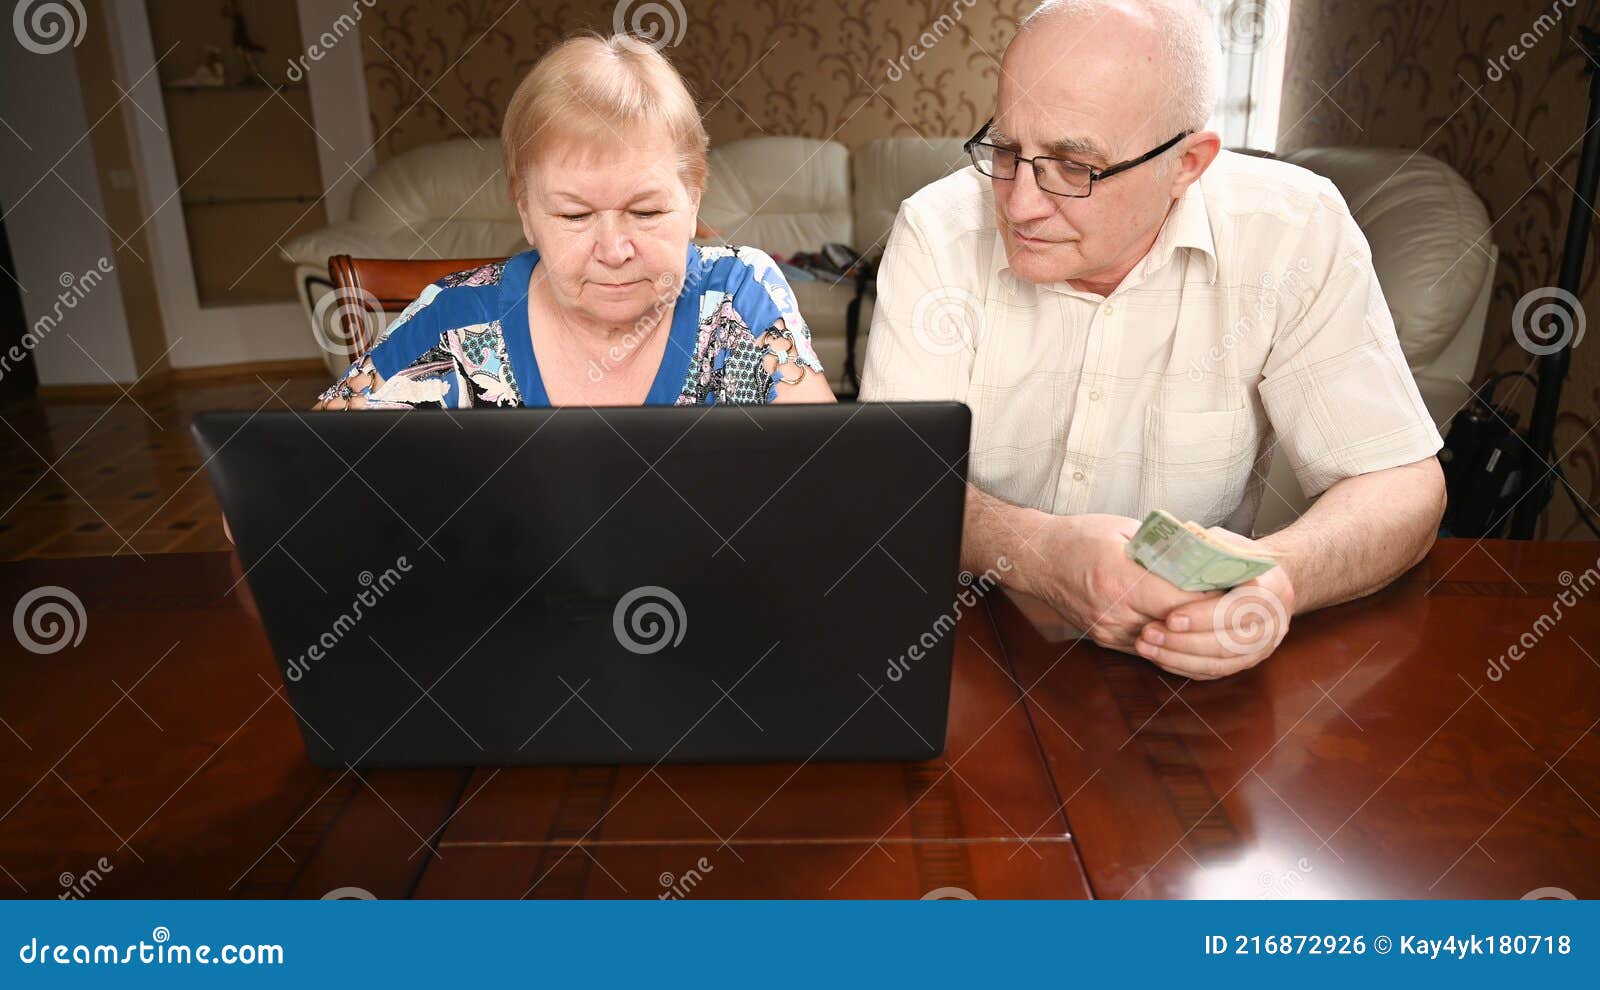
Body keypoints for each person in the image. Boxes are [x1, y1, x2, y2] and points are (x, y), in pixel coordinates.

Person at [860, 0, 1446, 680]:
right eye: (1008, 148)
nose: (1018, 204)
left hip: (1188, 668)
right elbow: (892, 486)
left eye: (1073, 167)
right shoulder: (937, 229)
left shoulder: (1294, 228)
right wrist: (1040, 554)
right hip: (960, 646)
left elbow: (1401, 484)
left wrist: (1278, 577)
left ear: (1188, 163)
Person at [313, 33, 835, 411]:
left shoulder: (740, 296)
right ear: (527, 213)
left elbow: (829, 483)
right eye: (575, 215)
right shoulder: (454, 319)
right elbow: (291, 498)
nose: (613, 250)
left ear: (694, 201)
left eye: (646, 211)